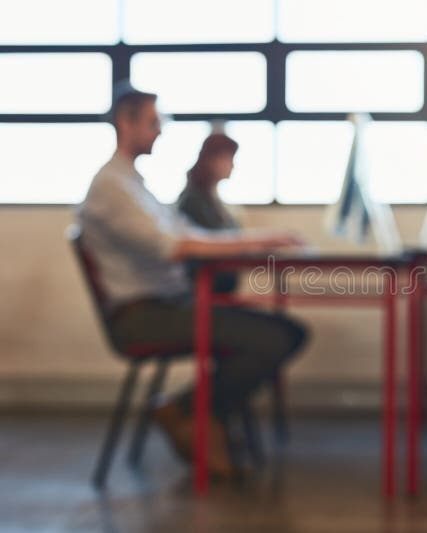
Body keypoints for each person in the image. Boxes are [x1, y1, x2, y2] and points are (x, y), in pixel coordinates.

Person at [78, 81, 309, 479]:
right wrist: (257, 242)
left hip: (168, 304)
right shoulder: (111, 187)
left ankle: (196, 415)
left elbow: (188, 234)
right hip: (144, 315)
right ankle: (191, 413)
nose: (160, 129)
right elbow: (175, 246)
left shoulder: (133, 183)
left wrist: (258, 240)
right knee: (277, 336)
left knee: (282, 332)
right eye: (153, 121)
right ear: (125, 122)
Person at [177, 132, 242, 293]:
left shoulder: (213, 199)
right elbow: (212, 244)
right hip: (205, 293)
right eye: (229, 159)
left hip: (217, 290)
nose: (232, 166)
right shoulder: (193, 201)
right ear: (211, 160)